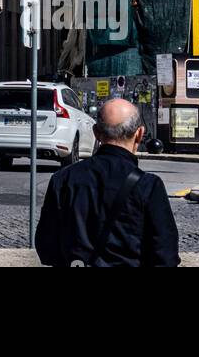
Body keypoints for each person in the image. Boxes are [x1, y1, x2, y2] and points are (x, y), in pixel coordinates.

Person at [35, 96, 180, 267]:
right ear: (139, 134)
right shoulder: (148, 186)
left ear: (96, 132)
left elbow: (46, 247)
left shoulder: (63, 179)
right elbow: (165, 256)